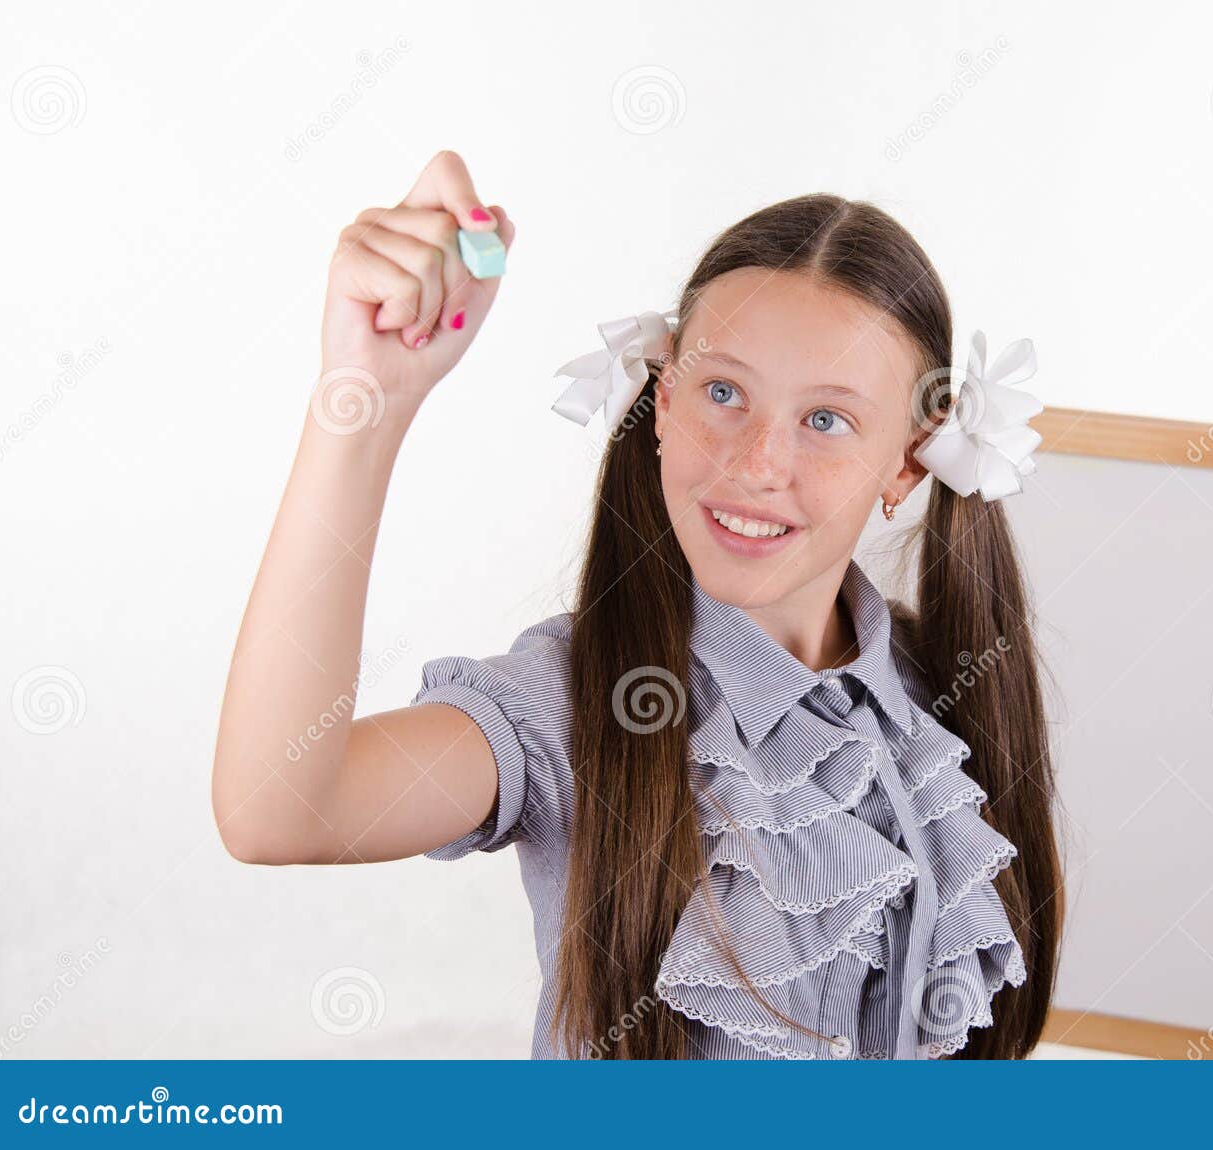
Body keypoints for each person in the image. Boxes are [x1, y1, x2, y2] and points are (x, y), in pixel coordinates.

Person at [211, 150, 1063, 1059]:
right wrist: (365, 403)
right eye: (724, 392)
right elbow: (280, 808)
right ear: (661, 400)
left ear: (907, 459)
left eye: (826, 419)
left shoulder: (940, 692)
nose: (757, 464)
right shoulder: (576, 700)